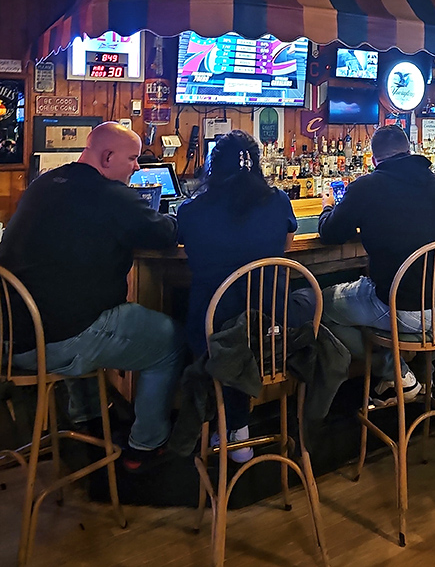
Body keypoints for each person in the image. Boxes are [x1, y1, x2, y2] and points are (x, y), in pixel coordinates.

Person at [0, 122, 183, 472]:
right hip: (59, 341)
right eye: (132, 158)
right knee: (172, 340)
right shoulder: (111, 195)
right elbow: (165, 233)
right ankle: (145, 446)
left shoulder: (44, 184)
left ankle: (88, 420)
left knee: (70, 303)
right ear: (107, 156)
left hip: (11, 337)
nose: (138, 167)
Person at [318, 125, 435, 405]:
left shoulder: (366, 186)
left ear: (374, 159)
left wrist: (328, 206)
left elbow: (330, 233)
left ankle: (396, 373)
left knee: (320, 306)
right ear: (409, 150)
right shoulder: (434, 181)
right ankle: (416, 377)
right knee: (391, 293)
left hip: (408, 311)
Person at [176, 130, 297, 460]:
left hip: (212, 335)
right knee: (301, 306)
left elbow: (184, 247)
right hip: (271, 332)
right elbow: (285, 250)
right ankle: (239, 426)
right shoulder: (279, 200)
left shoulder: (190, 210)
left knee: (209, 324)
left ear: (212, 166)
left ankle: (221, 424)